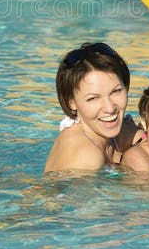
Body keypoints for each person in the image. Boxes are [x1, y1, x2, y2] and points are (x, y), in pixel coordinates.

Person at [43, 42, 141, 173]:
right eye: (93, 98)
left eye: (116, 91)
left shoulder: (117, 132)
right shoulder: (87, 156)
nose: (110, 108)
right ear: (71, 102)